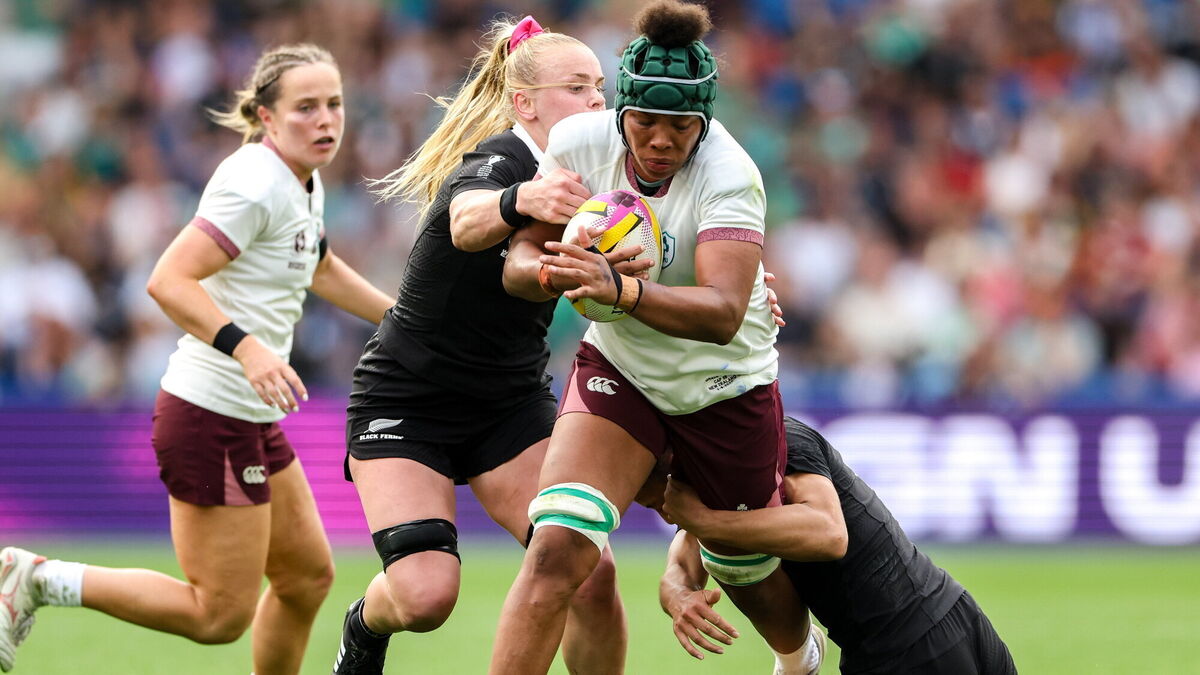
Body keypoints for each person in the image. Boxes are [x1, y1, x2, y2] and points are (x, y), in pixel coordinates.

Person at [0, 44, 395, 675]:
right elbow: (168, 279)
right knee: (217, 615)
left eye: (335, 104)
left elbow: (317, 265)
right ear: (266, 118)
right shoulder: (253, 182)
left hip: (247, 416)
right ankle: (38, 577)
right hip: (209, 412)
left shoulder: (303, 179)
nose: (326, 120)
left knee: (306, 578)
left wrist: (398, 318)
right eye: (306, 108)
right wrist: (248, 349)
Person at [490, 2, 812, 673]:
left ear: (706, 123)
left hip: (722, 386)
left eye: (681, 126)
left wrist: (623, 292)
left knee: (741, 569)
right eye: (645, 121)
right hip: (622, 371)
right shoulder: (578, 143)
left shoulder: (730, 176)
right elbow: (518, 262)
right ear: (621, 112)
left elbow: (724, 311)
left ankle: (798, 657)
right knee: (556, 552)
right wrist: (554, 271)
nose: (662, 138)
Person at [329, 16, 643, 675]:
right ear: (524, 103)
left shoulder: (593, 176)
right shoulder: (503, 160)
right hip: (408, 398)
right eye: (576, 86)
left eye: (598, 87)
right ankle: (363, 625)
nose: (595, 101)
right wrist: (522, 196)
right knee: (425, 595)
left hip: (507, 403)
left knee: (592, 570)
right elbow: (467, 220)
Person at [642, 416, 1018, 675]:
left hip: (903, 652)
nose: (668, 515)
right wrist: (679, 596)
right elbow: (681, 563)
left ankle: (799, 660)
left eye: (658, 500)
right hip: (948, 613)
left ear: (671, 463)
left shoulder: (778, 443)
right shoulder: (721, 484)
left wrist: (704, 521)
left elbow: (829, 534)